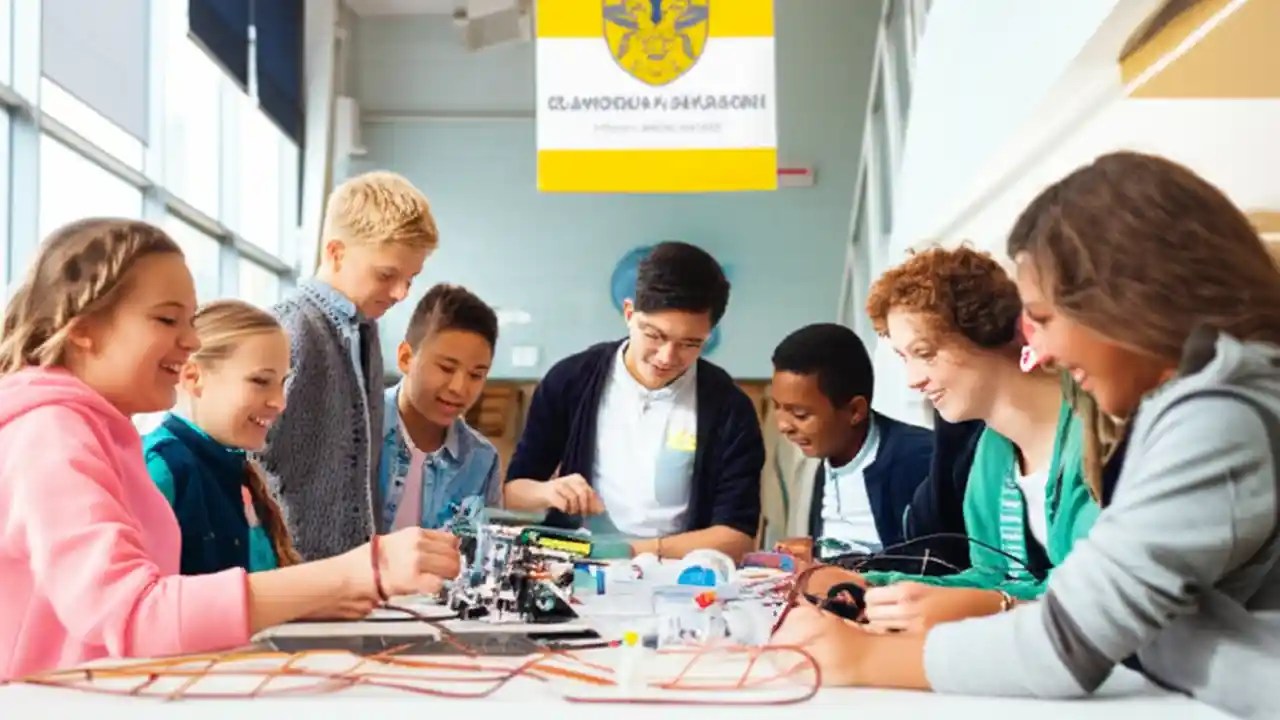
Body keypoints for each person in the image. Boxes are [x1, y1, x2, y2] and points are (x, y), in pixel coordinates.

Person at [771, 152, 1280, 720]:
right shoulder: (1212, 401)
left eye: (1047, 318)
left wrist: (862, 658)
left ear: (1124, 300)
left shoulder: (1220, 416)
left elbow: (1070, 639)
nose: (1045, 350)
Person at [0, 219, 460, 680]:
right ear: (84, 330)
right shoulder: (50, 435)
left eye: (190, 321)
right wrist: (358, 571)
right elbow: (136, 614)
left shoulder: (96, 433)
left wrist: (317, 594)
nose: (192, 341)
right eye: (167, 319)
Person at [804, 246, 1099, 631]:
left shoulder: (1095, 435)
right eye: (904, 358)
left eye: (925, 353)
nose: (913, 379)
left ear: (987, 331)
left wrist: (993, 605)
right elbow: (993, 578)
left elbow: (1098, 597)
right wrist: (872, 584)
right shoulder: (993, 450)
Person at [504, 241, 764, 561]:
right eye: (654, 335)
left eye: (690, 344)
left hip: (681, 571)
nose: (667, 357)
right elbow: (512, 493)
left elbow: (737, 538)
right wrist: (547, 492)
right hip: (577, 564)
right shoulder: (570, 381)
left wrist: (631, 552)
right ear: (629, 313)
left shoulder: (730, 408)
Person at [258, 171, 438, 561]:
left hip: (347, 569)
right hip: (292, 569)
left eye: (410, 279)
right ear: (336, 253)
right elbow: (248, 460)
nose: (401, 293)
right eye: (386, 275)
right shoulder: (287, 330)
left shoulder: (365, 331)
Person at [143, 300, 300, 575]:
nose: (279, 402)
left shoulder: (237, 473)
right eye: (261, 381)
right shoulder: (162, 469)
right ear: (193, 377)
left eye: (282, 383)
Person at [762, 323, 933, 558]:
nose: (783, 426)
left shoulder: (921, 460)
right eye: (777, 407)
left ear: (855, 411)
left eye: (800, 414)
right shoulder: (821, 459)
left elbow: (932, 564)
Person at [378, 283, 502, 532]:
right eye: (446, 368)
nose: (459, 387)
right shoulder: (360, 428)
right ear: (405, 358)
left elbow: (479, 548)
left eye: (476, 375)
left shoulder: (481, 460)